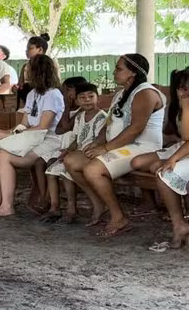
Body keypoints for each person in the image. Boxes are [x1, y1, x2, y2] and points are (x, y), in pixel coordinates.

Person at [64, 54, 165, 236]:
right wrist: (96, 143)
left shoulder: (145, 93)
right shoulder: (120, 94)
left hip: (142, 147)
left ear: (132, 73)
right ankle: (98, 204)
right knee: (71, 160)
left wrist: (104, 149)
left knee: (92, 170)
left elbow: (135, 129)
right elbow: (108, 124)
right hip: (120, 146)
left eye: (119, 68)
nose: (114, 72)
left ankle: (118, 218)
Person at [0, 55, 64, 217]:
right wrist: (9, 133)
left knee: (4, 155)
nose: (26, 71)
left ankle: (7, 206)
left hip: (50, 140)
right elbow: (24, 123)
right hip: (32, 138)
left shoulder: (53, 94)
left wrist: (9, 135)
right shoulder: (32, 93)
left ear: (39, 71)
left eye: (29, 68)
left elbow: (43, 126)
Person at [41, 82, 107, 224]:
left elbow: (100, 140)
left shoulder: (102, 117)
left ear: (98, 98)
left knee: (66, 173)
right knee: (51, 171)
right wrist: (68, 151)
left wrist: (74, 154)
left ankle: (72, 209)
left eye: (91, 96)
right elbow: (77, 138)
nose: (87, 100)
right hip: (77, 152)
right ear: (76, 101)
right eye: (82, 98)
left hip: (91, 154)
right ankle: (54, 207)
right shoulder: (79, 117)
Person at [152, 69, 189, 250]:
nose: (183, 92)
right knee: (164, 174)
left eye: (187, 88)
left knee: (167, 167)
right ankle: (179, 225)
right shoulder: (183, 107)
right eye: (181, 88)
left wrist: (173, 158)